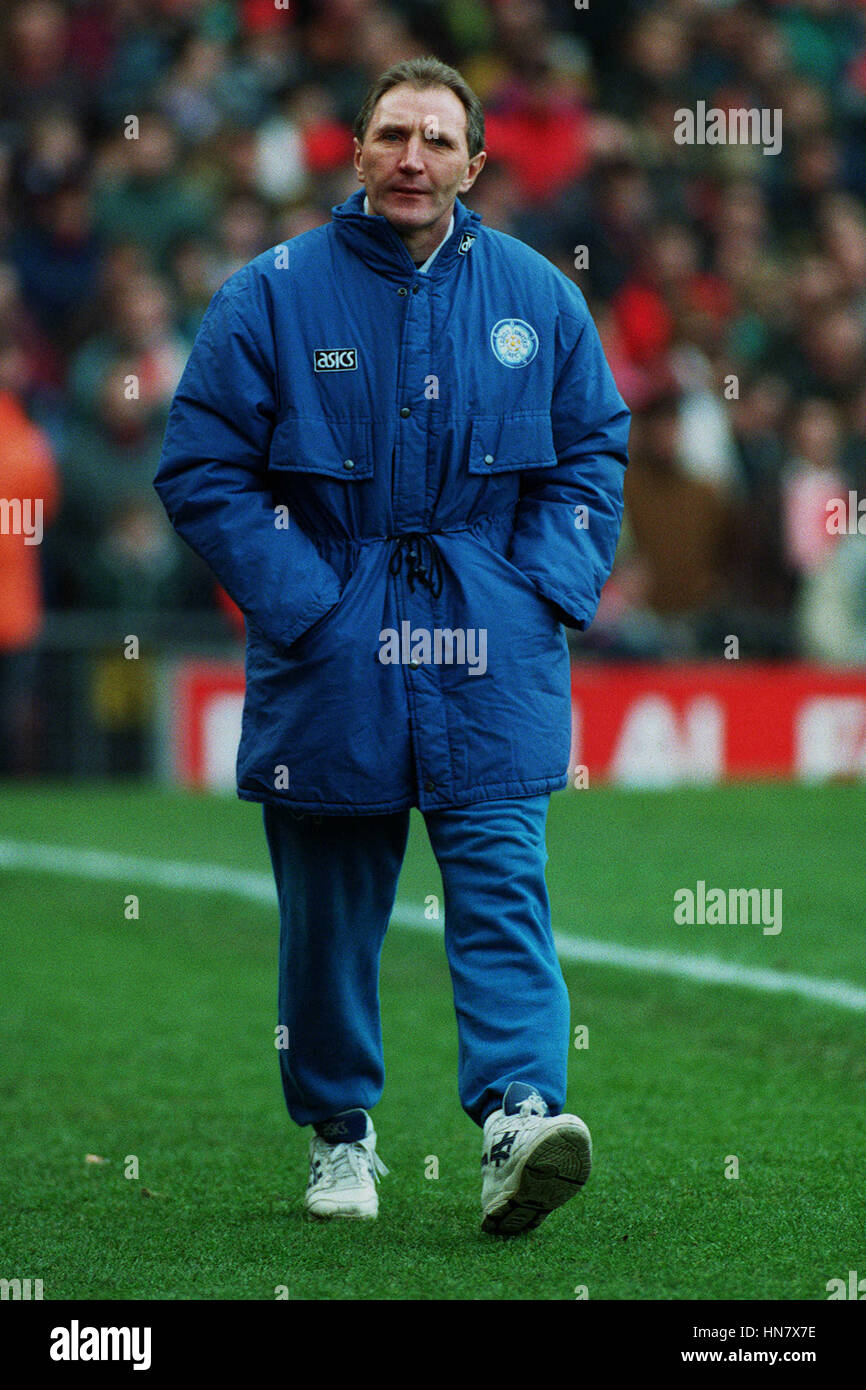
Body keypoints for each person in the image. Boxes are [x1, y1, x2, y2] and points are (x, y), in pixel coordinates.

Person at [155, 57, 630, 1237]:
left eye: (434, 139)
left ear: (475, 163)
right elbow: (204, 468)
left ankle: (518, 1116)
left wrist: (538, 590)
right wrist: (309, 604)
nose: (410, 157)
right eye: (388, 136)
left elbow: (590, 454)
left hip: (491, 646)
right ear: (355, 154)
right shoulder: (266, 296)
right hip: (332, 653)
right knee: (327, 914)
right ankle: (339, 1135)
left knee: (501, 889)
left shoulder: (538, 297)